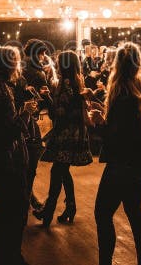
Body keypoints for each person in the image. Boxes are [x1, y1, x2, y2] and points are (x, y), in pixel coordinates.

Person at [92, 42, 141, 265]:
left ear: (117, 64)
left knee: (102, 213)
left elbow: (118, 135)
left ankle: (105, 262)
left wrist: (99, 124)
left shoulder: (122, 92)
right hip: (139, 161)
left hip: (122, 163)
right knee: (133, 211)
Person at [0, 46, 36, 265]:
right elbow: (7, 129)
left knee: (5, 211)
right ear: (11, 65)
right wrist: (26, 114)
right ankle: (9, 256)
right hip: (6, 160)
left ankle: (7, 255)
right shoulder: (1, 91)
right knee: (14, 211)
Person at [34, 51, 93, 227]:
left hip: (65, 135)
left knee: (57, 171)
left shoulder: (64, 84)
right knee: (63, 171)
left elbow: (59, 113)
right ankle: (70, 207)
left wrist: (48, 99)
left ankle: (48, 211)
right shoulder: (77, 82)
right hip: (74, 134)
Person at [20, 39, 52, 211]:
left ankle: (25, 197)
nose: (44, 57)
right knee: (31, 163)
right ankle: (26, 200)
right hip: (35, 121)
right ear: (37, 53)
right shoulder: (38, 73)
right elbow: (42, 102)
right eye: (42, 53)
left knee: (22, 162)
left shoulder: (20, 69)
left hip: (21, 119)